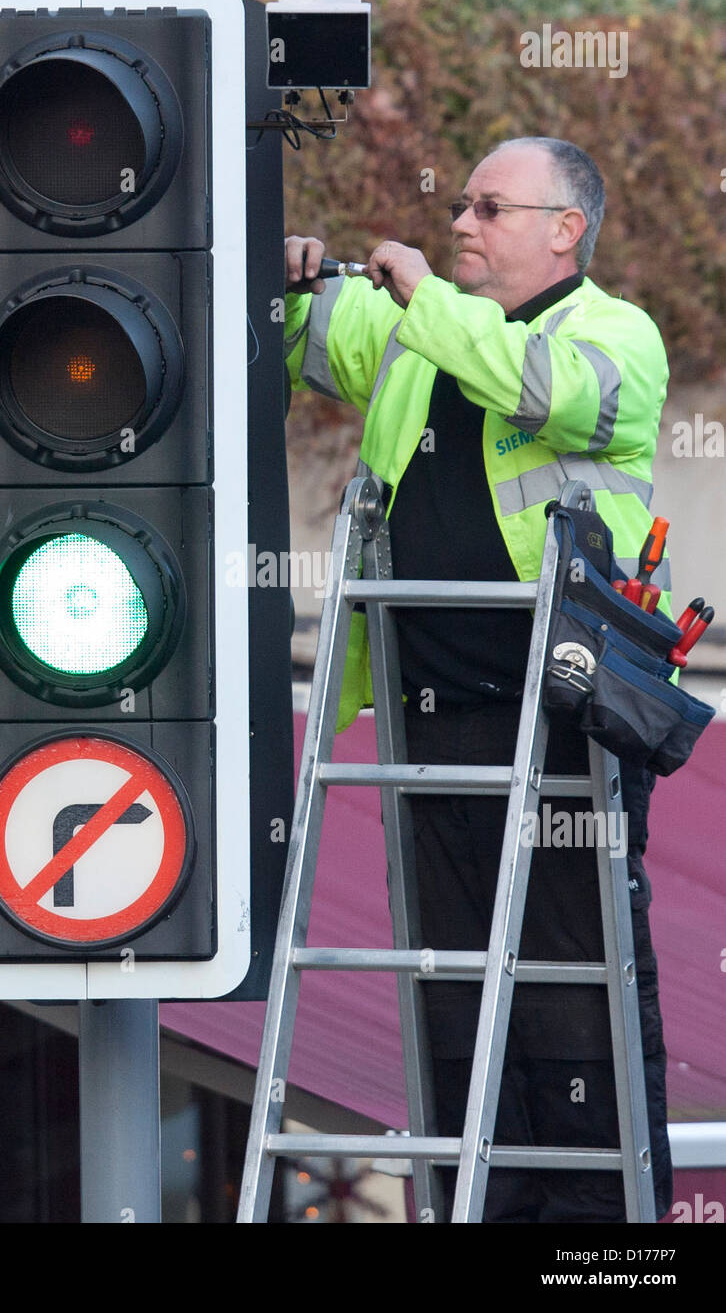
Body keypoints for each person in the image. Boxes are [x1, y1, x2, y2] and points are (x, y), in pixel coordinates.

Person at [283, 136, 673, 1223]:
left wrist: (421, 301)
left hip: (561, 725)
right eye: (461, 204)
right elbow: (302, 349)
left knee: (574, 990)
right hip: (431, 721)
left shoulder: (614, 336)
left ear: (566, 230)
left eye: (491, 208)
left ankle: (597, 1236)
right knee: (450, 992)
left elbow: (540, 390)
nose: (461, 222)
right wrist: (287, 288)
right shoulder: (422, 333)